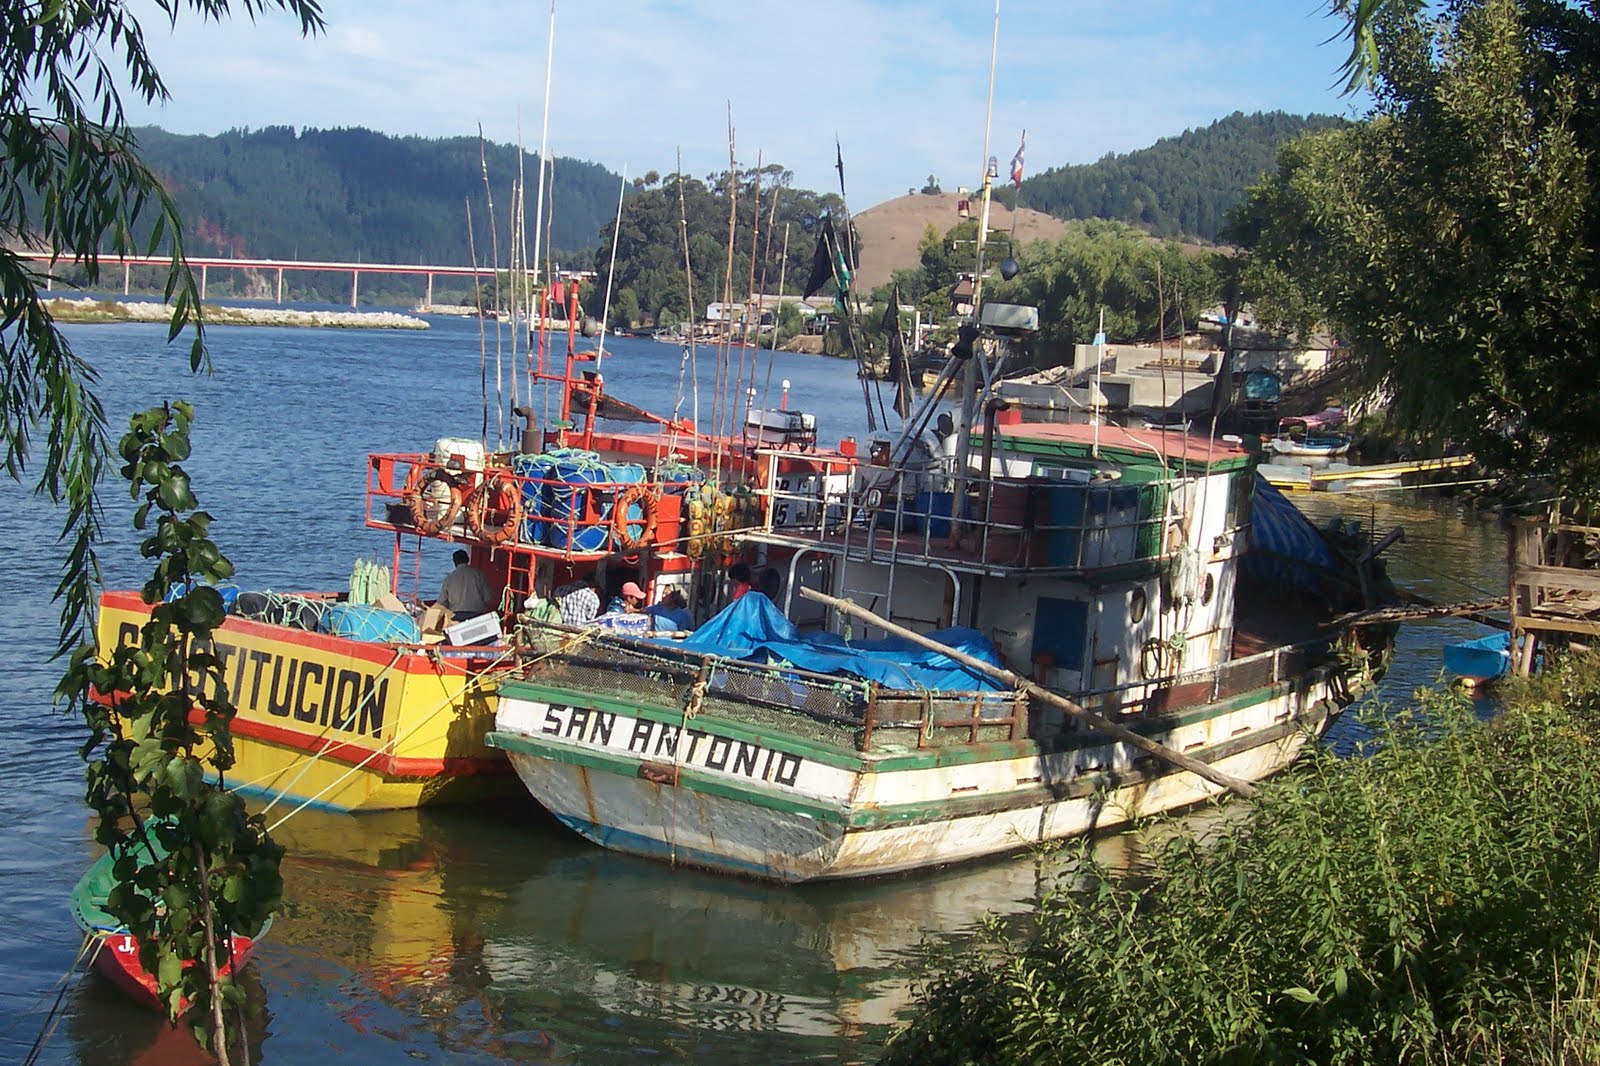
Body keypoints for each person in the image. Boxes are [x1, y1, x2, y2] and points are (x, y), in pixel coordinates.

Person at [437, 549, 494, 618]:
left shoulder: (449, 578)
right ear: (468, 559)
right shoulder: (480, 575)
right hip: (477, 615)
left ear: (455, 562)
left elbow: (442, 602)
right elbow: (488, 598)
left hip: (456, 615)